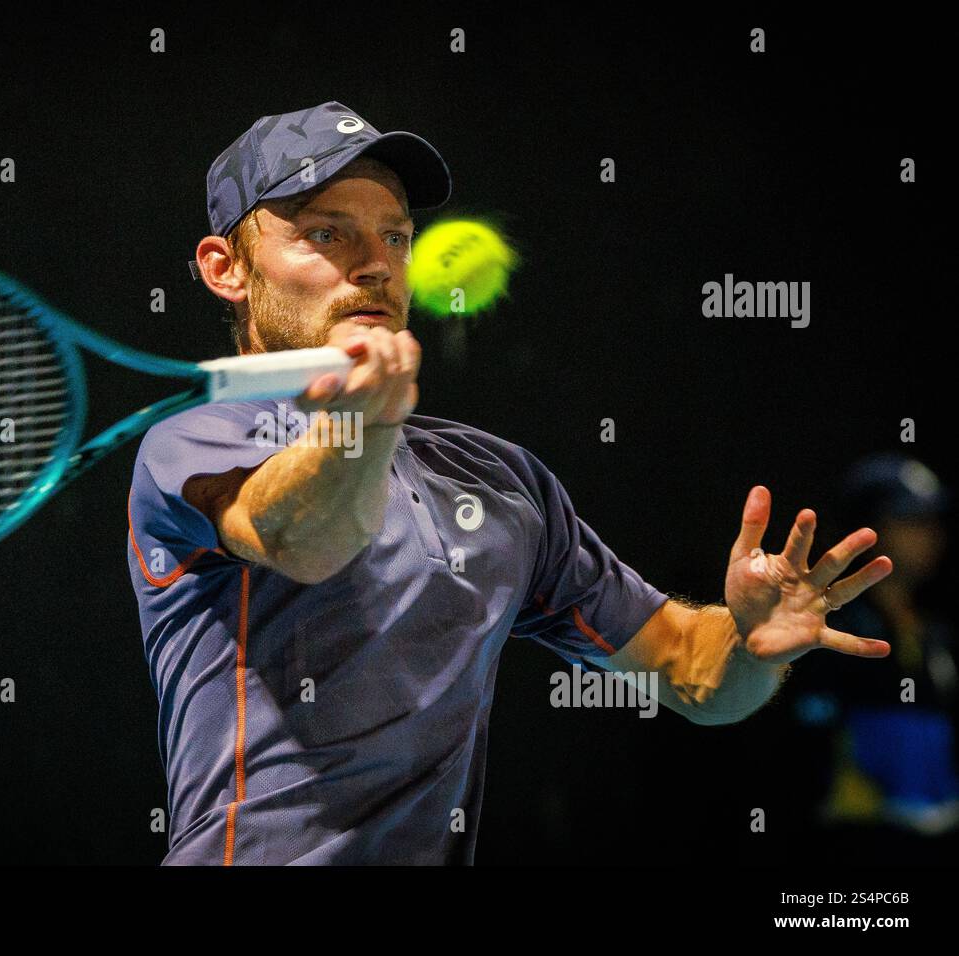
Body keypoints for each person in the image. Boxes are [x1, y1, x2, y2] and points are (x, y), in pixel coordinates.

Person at [125, 101, 894, 865]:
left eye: (395, 235)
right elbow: (304, 538)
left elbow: (691, 673)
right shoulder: (192, 440)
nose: (375, 263)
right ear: (225, 270)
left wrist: (751, 647)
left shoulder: (499, 481)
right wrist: (365, 423)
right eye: (325, 232)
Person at [789, 453, 957, 863]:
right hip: (853, 853)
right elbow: (798, 760)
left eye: (933, 520)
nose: (930, 534)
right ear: (867, 528)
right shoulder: (822, 634)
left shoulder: (939, 636)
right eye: (910, 519)